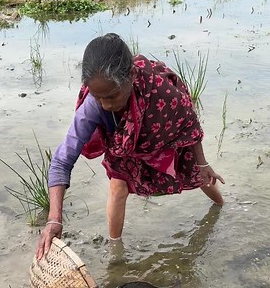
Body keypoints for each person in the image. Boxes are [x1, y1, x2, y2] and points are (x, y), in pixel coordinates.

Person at [36, 33, 224, 260]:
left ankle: (221, 208)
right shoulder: (94, 107)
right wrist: (54, 219)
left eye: (113, 96)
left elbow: (189, 122)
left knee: (195, 172)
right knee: (118, 187)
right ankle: (116, 255)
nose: (105, 105)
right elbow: (63, 158)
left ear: (132, 76)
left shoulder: (162, 92)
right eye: (98, 97)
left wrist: (203, 162)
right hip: (122, 142)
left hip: (160, 132)